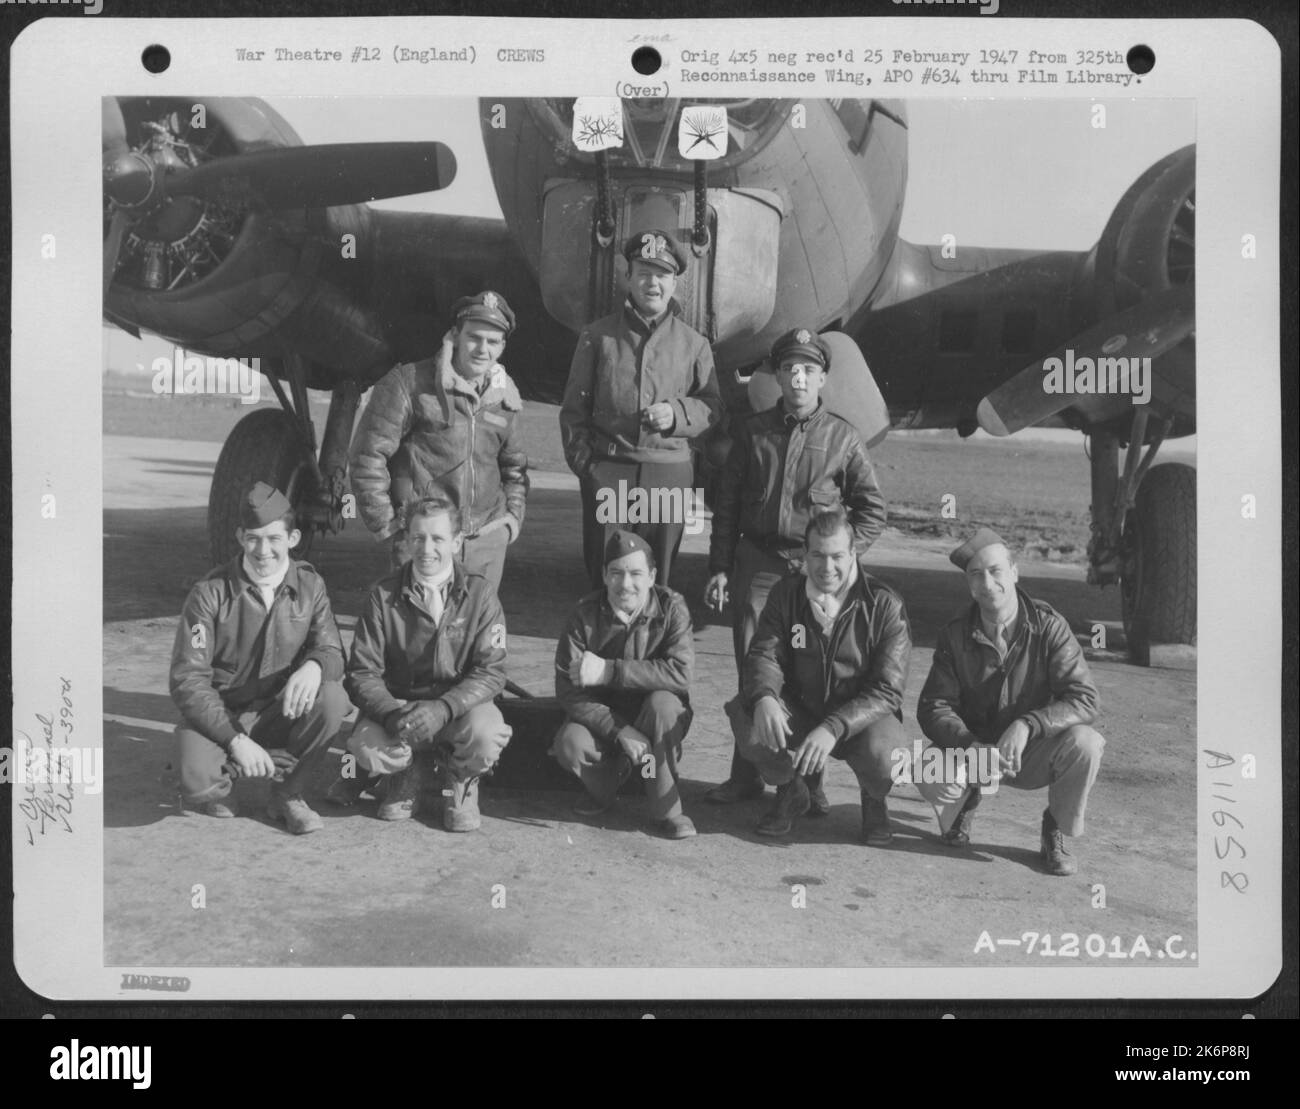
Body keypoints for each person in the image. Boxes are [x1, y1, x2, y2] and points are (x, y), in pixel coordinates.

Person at [704, 327, 887, 809]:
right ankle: (746, 774)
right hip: (759, 566)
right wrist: (721, 566)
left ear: (822, 377)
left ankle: (810, 783)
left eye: (808, 369)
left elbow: (872, 509)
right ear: (779, 375)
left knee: (812, 675)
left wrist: (839, 559)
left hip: (814, 577)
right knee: (754, 672)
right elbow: (726, 506)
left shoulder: (843, 437)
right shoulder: (752, 431)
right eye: (789, 369)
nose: (798, 378)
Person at [914, 528, 1104, 876]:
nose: (987, 583)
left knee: (1086, 744)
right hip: (976, 751)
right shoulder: (955, 633)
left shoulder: (1049, 627)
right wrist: (970, 745)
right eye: (976, 575)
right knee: (926, 767)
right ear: (969, 584)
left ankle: (1055, 827)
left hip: (1029, 753)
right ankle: (964, 803)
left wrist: (1028, 724)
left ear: (1015, 571)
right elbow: (933, 707)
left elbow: (1085, 699)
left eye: (995, 570)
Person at [169, 482, 347, 835]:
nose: (263, 550)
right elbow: (187, 680)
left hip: (278, 712)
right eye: (253, 538)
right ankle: (230, 771)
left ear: (293, 539)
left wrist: (315, 665)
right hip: (224, 715)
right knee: (195, 779)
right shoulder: (209, 594)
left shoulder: (311, 587)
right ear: (239, 537)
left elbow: (333, 651)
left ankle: (288, 793)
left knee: (333, 699)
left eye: (274, 539)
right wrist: (236, 742)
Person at [726, 507, 910, 843]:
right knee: (746, 715)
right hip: (803, 708)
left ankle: (874, 797)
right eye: (818, 555)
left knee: (889, 756)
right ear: (806, 555)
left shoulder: (883, 605)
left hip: (859, 720)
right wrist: (766, 696)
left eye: (838, 556)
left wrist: (834, 727)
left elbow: (887, 690)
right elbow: (765, 653)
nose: (827, 567)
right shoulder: (786, 595)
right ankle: (791, 789)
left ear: (853, 553)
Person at [337, 496, 512, 831]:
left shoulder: (480, 594)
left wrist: (445, 708)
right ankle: (405, 775)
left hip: (458, 709)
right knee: (364, 745)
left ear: (457, 542)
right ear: (407, 539)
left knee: (487, 734)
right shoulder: (383, 595)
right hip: (401, 709)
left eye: (438, 539)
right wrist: (391, 713)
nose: (426, 548)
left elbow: (491, 671)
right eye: (418, 538)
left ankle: (460, 780)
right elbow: (362, 672)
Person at [559, 229, 722, 590]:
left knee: (658, 577)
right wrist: (589, 469)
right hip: (610, 472)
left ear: (675, 282)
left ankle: (652, 647)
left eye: (662, 275)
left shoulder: (695, 345)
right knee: (608, 576)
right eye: (644, 272)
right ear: (628, 277)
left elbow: (712, 407)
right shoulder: (597, 336)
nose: (653, 283)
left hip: (669, 474)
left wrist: (677, 414)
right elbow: (574, 410)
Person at [349, 290, 529, 592]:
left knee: (476, 635)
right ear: (456, 335)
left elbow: (515, 468)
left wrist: (510, 522)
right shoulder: (409, 383)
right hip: (426, 541)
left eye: (493, 341)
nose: (482, 349)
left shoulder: (504, 398)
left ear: (502, 347)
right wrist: (390, 527)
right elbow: (367, 457)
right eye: (474, 337)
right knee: (416, 635)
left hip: (486, 544)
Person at [551, 529, 697, 839]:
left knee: (665, 706)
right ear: (604, 575)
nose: (625, 584)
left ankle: (668, 812)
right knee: (570, 743)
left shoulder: (672, 608)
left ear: (652, 575)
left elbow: (681, 673)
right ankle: (606, 787)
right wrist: (619, 729)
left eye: (635, 574)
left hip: (652, 715)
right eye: (616, 573)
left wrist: (609, 671)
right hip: (604, 722)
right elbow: (567, 689)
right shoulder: (584, 614)